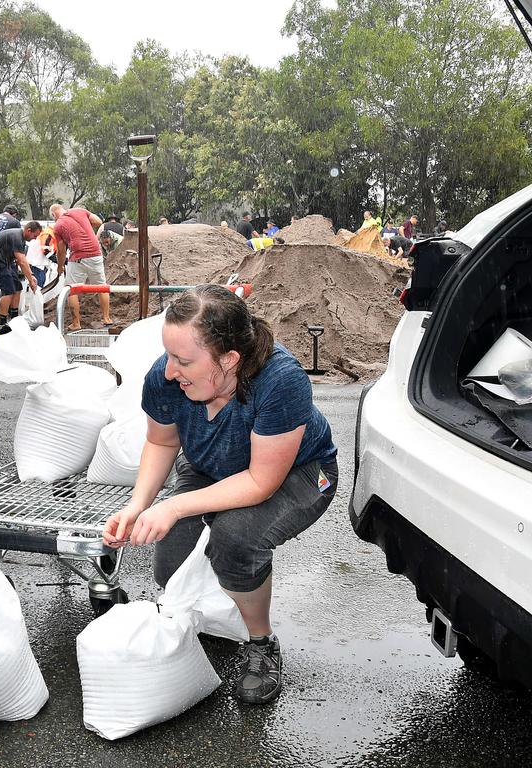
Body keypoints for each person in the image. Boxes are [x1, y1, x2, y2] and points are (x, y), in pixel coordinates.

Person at [103, 284, 338, 706]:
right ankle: (217, 607)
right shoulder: (166, 376)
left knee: (235, 539)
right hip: (212, 464)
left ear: (230, 359)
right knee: (171, 561)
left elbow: (260, 483)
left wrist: (173, 505)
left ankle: (261, 643)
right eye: (169, 356)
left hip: (299, 473)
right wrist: (138, 506)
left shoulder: (281, 381)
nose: (170, 370)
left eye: (184, 360)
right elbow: (161, 444)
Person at [50, 203, 111, 330]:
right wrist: (87, 225)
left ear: (53, 215)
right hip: (95, 253)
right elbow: (98, 221)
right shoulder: (80, 211)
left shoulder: (58, 226)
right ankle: (106, 318)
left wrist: (60, 266)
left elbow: (61, 251)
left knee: (71, 289)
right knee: (102, 287)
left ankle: (76, 323)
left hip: (77, 256)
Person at [0, 221, 41, 333]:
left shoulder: (20, 238)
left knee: (17, 287)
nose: (34, 239)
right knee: (9, 291)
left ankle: (14, 318)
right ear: (29, 230)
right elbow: (22, 261)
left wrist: (31, 276)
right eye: (34, 236)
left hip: (5, 263)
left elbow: (21, 261)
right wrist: (30, 279)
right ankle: (2, 322)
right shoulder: (17, 237)